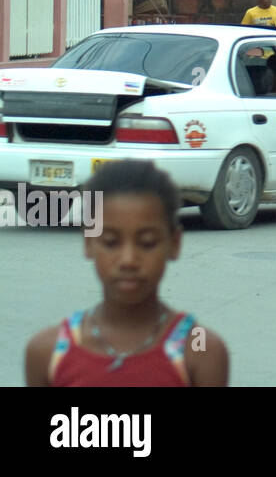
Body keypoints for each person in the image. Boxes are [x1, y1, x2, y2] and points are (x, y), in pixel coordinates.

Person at [24, 159, 229, 386]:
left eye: (147, 242)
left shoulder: (200, 352)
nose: (128, 260)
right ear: (89, 243)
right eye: (111, 242)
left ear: (174, 244)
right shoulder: (48, 352)